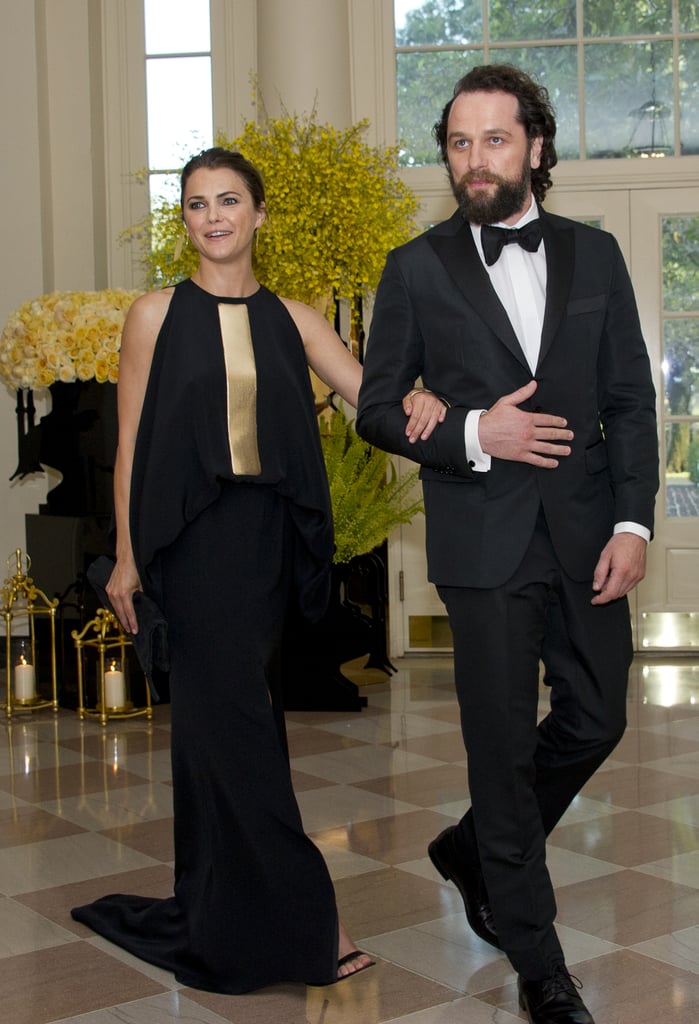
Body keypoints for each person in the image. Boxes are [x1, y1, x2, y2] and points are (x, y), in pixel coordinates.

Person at [71, 146, 445, 993]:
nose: (213, 216)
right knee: (233, 731)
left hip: (265, 547)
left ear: (258, 214)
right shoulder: (153, 315)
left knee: (233, 735)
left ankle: (221, 913)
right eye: (197, 203)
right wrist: (125, 556)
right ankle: (311, 920)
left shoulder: (295, 319)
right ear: (185, 220)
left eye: (228, 200)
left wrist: (421, 396)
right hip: (189, 550)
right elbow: (129, 444)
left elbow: (372, 399)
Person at [356, 65, 658, 1024]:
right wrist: (471, 431)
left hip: (586, 535)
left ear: (534, 144)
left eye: (493, 139)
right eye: (459, 142)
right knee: (498, 750)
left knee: (596, 719)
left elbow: (628, 401)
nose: (475, 159)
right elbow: (375, 408)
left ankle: (471, 848)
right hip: (481, 541)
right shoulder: (414, 268)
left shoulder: (595, 255)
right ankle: (541, 964)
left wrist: (632, 522)